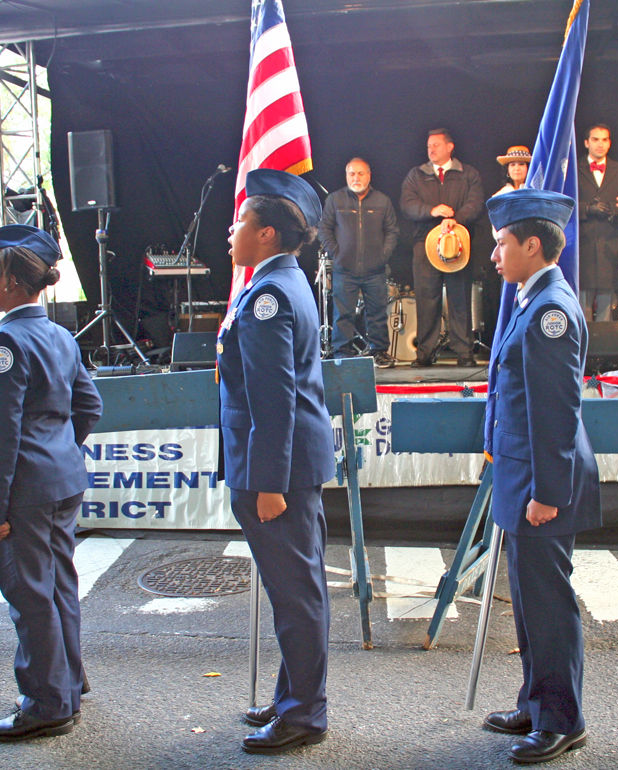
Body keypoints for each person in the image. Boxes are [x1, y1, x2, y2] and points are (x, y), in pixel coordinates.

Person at [482, 189, 602, 765]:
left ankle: (562, 719)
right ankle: (536, 704)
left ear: (533, 245)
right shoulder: (534, 300)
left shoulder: (551, 310)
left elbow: (556, 412)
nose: (494, 254)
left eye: (502, 243)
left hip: (542, 483)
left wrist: (547, 494)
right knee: (529, 604)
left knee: (549, 605)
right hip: (523, 476)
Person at [0, 224, 103, 742]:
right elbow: (89, 405)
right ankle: (67, 683)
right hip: (61, 481)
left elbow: (0, 435)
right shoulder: (58, 335)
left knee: (30, 596)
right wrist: (59, 448)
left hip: (24, 489)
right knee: (58, 586)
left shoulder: (7, 341)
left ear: (8, 281)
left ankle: (47, 703)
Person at [219, 169, 334, 755]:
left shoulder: (267, 296)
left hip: (279, 469)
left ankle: (303, 714)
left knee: (295, 593)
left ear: (266, 234)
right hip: (290, 462)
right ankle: (294, 696)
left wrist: (267, 483)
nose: (232, 230)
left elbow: (273, 397)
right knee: (297, 587)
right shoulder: (281, 284)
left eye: (241, 221)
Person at [400, 128, 484, 366]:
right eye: (429, 146)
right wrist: (431, 211)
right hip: (424, 246)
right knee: (427, 300)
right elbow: (407, 204)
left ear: (450, 147)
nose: (431, 149)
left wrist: (457, 219)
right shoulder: (416, 175)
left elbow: (476, 203)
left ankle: (464, 352)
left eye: (436, 145)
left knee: (459, 299)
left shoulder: (468, 174)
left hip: (458, 245)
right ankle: (425, 353)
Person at [318, 157, 400, 368]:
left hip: (375, 269)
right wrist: (337, 254)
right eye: (352, 174)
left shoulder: (382, 201)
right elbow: (324, 229)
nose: (356, 178)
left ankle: (379, 352)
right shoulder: (335, 200)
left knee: (377, 312)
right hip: (344, 268)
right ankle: (341, 354)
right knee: (342, 313)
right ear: (346, 176)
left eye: (360, 173)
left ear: (369, 175)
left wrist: (384, 255)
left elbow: (392, 231)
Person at [576, 125, 618, 322]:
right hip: (584, 242)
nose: (600, 144)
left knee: (607, 298)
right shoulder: (575, 168)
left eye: (605, 140)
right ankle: (585, 347)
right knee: (582, 297)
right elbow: (565, 203)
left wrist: (613, 211)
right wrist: (587, 208)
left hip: (609, 242)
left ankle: (605, 347)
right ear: (586, 143)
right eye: (595, 139)